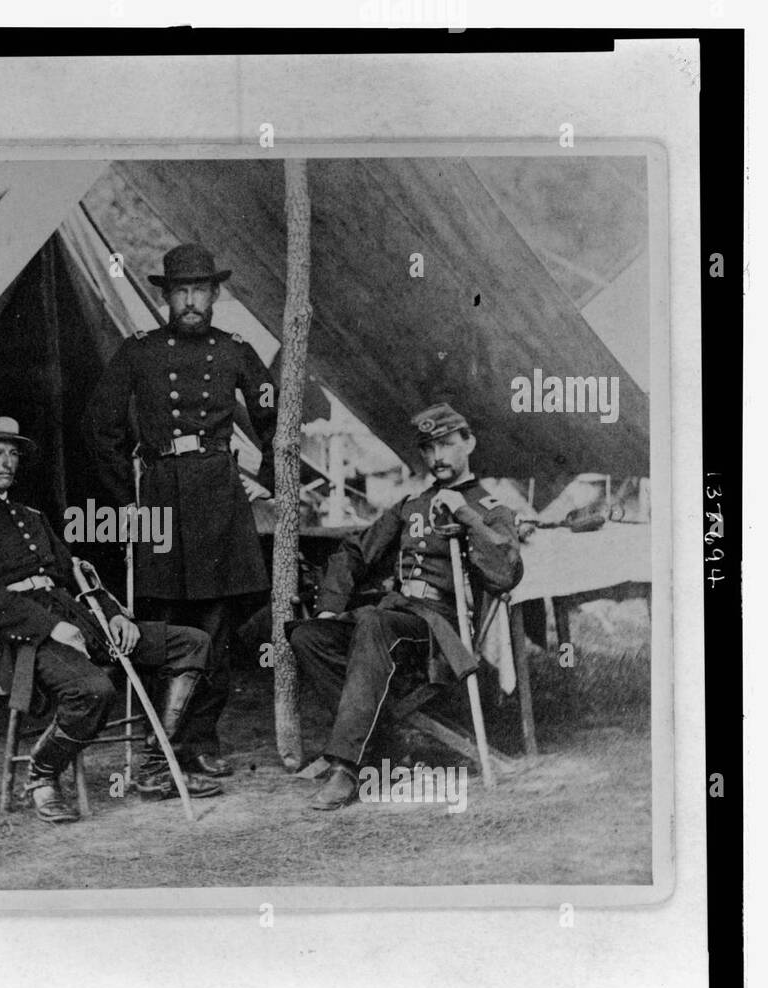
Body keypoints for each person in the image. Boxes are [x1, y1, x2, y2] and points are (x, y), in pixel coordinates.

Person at [0, 417, 225, 825]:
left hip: (80, 619)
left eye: (13, 453)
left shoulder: (31, 515)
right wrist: (50, 627)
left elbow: (77, 573)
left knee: (192, 643)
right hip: (25, 641)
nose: (8, 463)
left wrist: (113, 614)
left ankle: (157, 767)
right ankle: (42, 775)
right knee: (93, 690)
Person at [84, 243, 276, 779]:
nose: (190, 301)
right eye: (180, 292)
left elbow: (271, 412)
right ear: (166, 296)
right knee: (163, 620)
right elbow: (100, 427)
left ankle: (202, 736)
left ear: (215, 294)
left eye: (199, 291)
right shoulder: (139, 351)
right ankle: (159, 738)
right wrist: (129, 501)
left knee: (216, 624)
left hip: (218, 490)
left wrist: (267, 480)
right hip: (162, 493)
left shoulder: (236, 350)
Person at [286, 403, 523, 810]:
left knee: (374, 624)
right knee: (308, 635)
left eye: (447, 445)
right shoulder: (411, 503)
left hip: (441, 631)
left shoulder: (490, 507)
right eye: (428, 449)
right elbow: (353, 552)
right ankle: (377, 747)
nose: (438, 458)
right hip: (396, 619)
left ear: (469, 442)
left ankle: (347, 767)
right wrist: (328, 606)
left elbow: (504, 573)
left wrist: (465, 515)